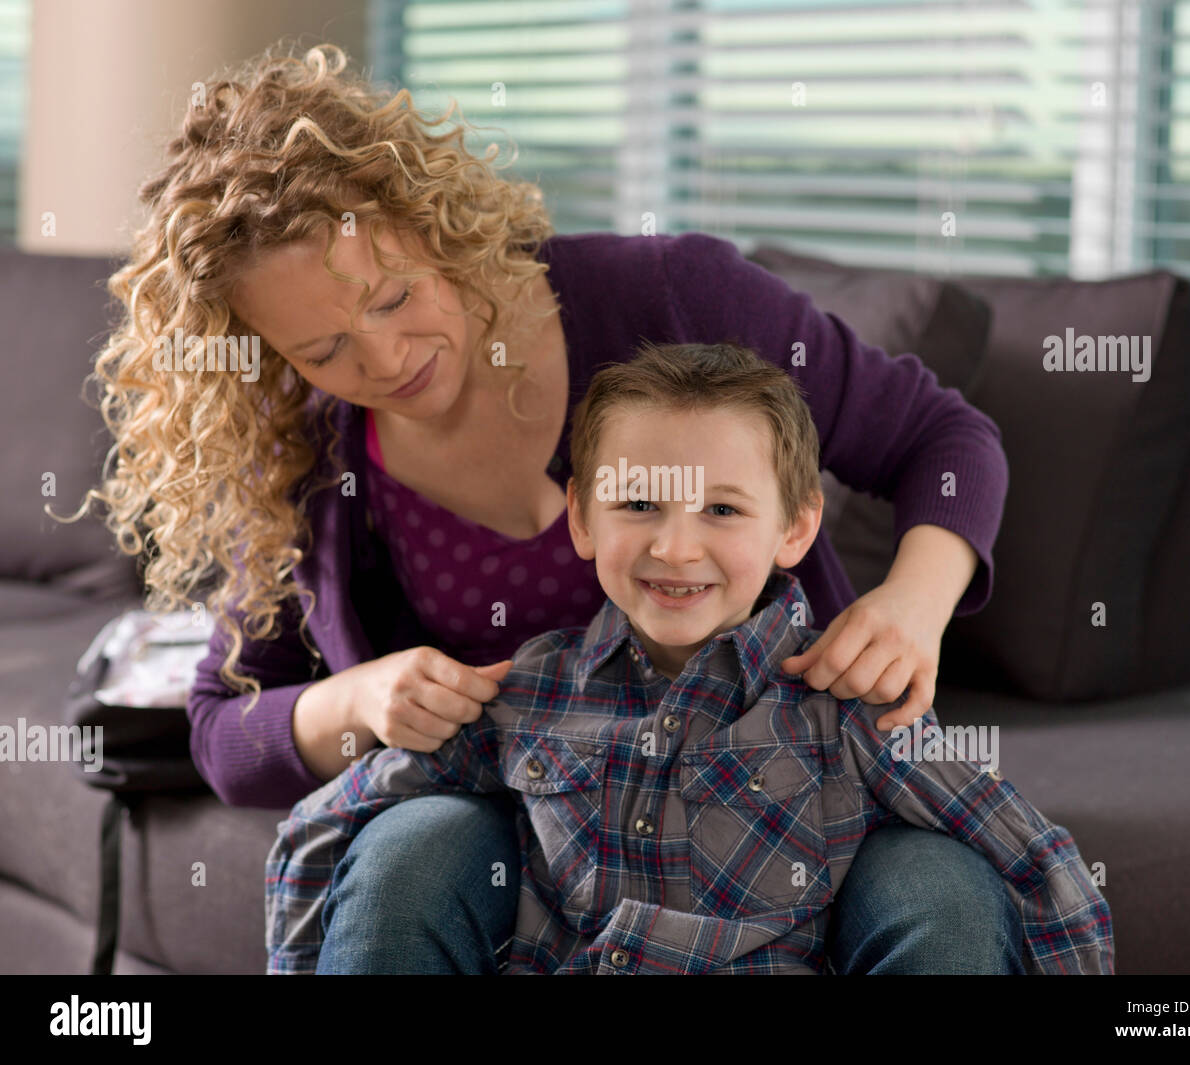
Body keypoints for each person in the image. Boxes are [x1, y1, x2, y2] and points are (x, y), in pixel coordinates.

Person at [78, 41, 1015, 973]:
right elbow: (221, 733)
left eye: (396, 295)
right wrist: (355, 700)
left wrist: (912, 606)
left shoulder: (671, 294)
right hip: (517, 841)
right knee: (406, 856)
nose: (384, 359)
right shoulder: (307, 456)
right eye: (323, 349)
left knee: (943, 900)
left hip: (791, 787)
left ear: (431, 218)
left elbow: (945, 442)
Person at [267, 342, 1112, 975]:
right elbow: (327, 829)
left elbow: (1033, 861)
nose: (676, 547)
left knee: (947, 885)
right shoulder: (527, 691)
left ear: (795, 529)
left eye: (721, 509)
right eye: (637, 502)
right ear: (582, 520)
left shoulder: (851, 707)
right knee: (401, 843)